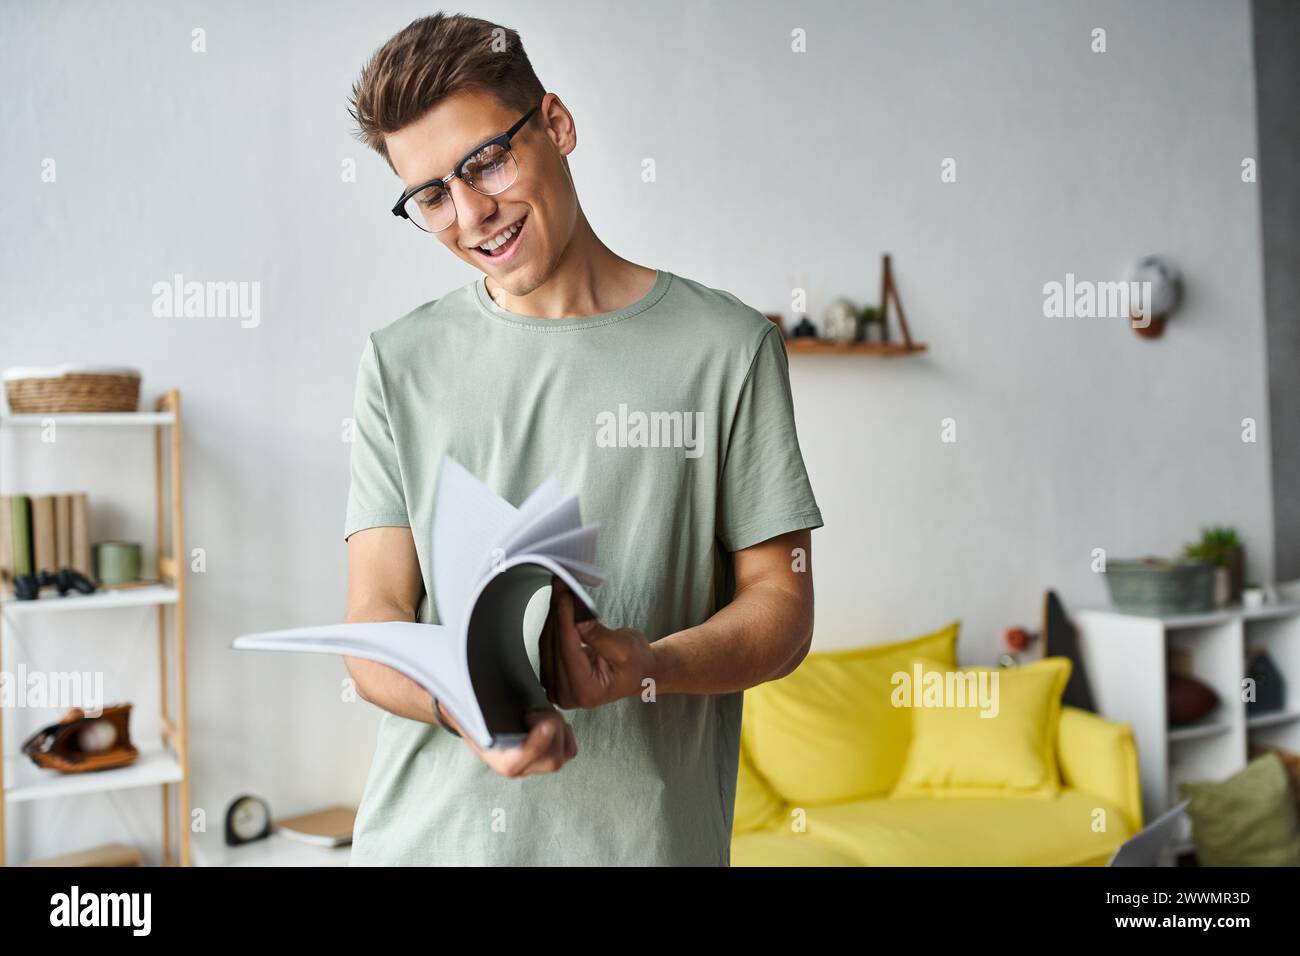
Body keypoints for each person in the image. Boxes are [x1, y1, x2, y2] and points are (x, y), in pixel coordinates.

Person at [341, 12, 822, 865]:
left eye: (485, 159)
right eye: (431, 196)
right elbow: (375, 619)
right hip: (425, 844)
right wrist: (464, 705)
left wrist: (647, 665)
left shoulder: (729, 348)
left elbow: (780, 610)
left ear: (556, 125)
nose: (471, 213)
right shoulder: (397, 362)